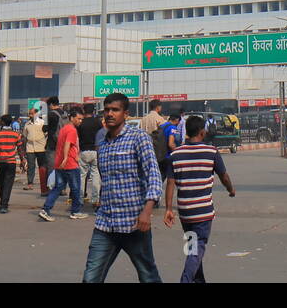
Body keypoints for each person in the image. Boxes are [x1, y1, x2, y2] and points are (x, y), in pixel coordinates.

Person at [83, 93, 163, 283]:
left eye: (115, 110)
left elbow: (153, 174)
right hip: (106, 223)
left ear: (125, 114)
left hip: (134, 223)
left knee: (148, 275)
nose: (110, 114)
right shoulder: (103, 145)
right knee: (91, 276)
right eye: (107, 110)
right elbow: (105, 177)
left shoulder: (138, 138)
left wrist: (147, 211)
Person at [164, 114, 236, 283]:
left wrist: (168, 208)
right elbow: (224, 176)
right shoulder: (211, 152)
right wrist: (230, 189)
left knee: (192, 247)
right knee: (197, 248)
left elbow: (170, 184)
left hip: (185, 213)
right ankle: (186, 280)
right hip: (203, 212)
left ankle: (199, 280)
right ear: (202, 132)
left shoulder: (176, 154)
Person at [39, 106, 86, 221]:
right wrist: (66, 158)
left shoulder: (64, 129)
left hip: (60, 163)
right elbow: (67, 144)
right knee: (75, 188)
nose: (80, 121)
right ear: (72, 118)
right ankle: (75, 211)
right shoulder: (72, 130)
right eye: (79, 119)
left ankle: (46, 209)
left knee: (58, 187)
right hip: (69, 163)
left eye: (81, 119)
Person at [0, 114, 23, 214]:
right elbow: (19, 149)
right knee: (8, 184)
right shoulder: (16, 135)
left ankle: (3, 202)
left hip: (0, 161)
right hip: (11, 162)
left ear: (2, 122)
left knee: (1, 183)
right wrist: (23, 160)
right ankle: (4, 204)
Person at [77, 103, 103, 207]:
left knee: (82, 176)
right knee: (96, 175)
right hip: (95, 151)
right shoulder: (97, 123)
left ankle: (80, 199)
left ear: (84, 111)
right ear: (93, 111)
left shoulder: (81, 123)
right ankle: (95, 199)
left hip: (83, 151)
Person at [23, 107, 47, 192]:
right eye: (29, 113)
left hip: (41, 148)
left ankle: (44, 183)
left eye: (32, 113)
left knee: (42, 166)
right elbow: (25, 136)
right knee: (30, 166)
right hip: (30, 148)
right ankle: (30, 183)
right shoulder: (27, 124)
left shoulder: (42, 123)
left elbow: (46, 134)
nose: (30, 115)